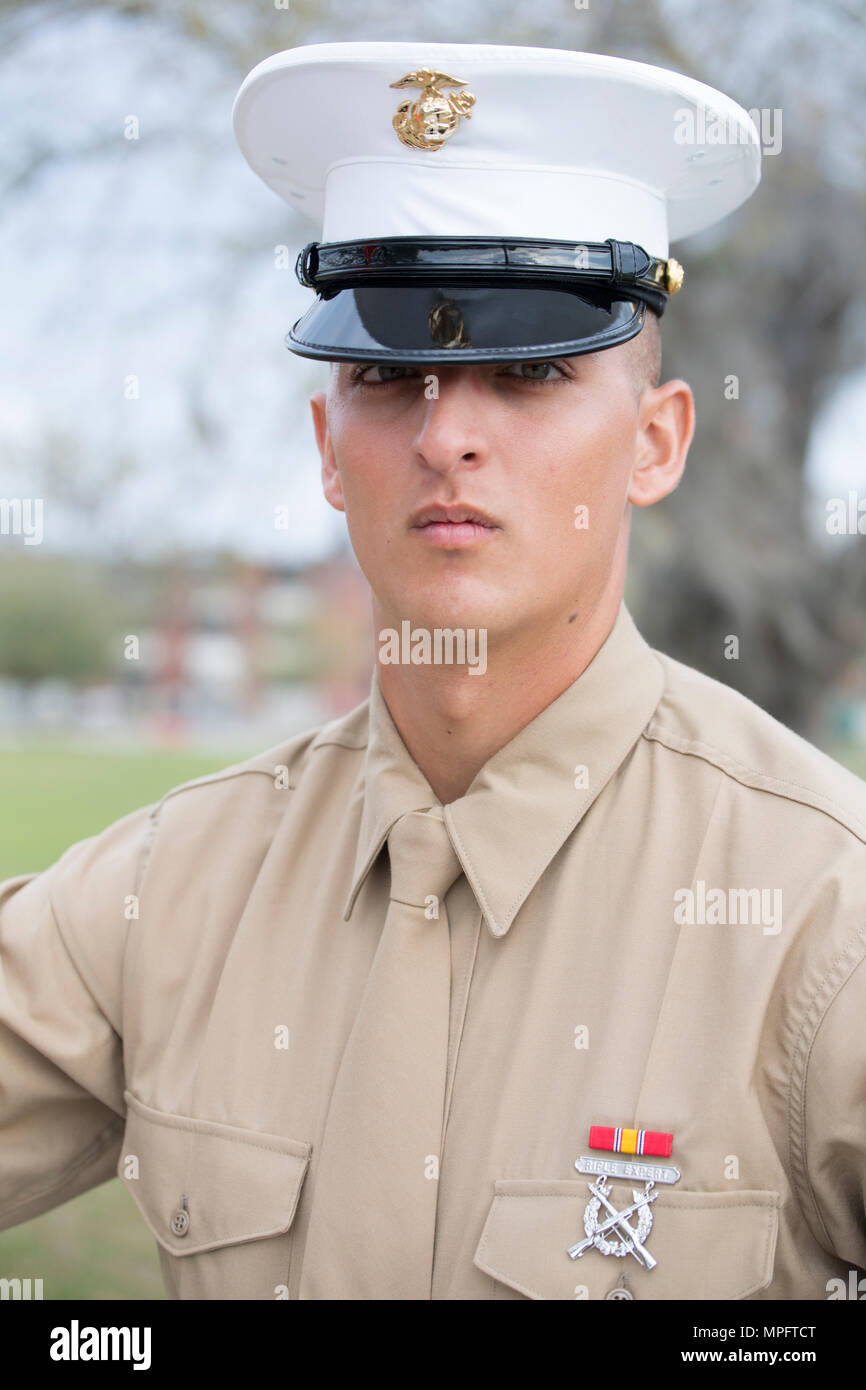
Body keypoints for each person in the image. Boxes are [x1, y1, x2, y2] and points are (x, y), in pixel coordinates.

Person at [1, 41, 864, 1303]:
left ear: (655, 442)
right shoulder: (164, 892)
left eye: (528, 374)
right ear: (327, 448)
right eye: (387, 375)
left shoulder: (819, 916)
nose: (446, 433)